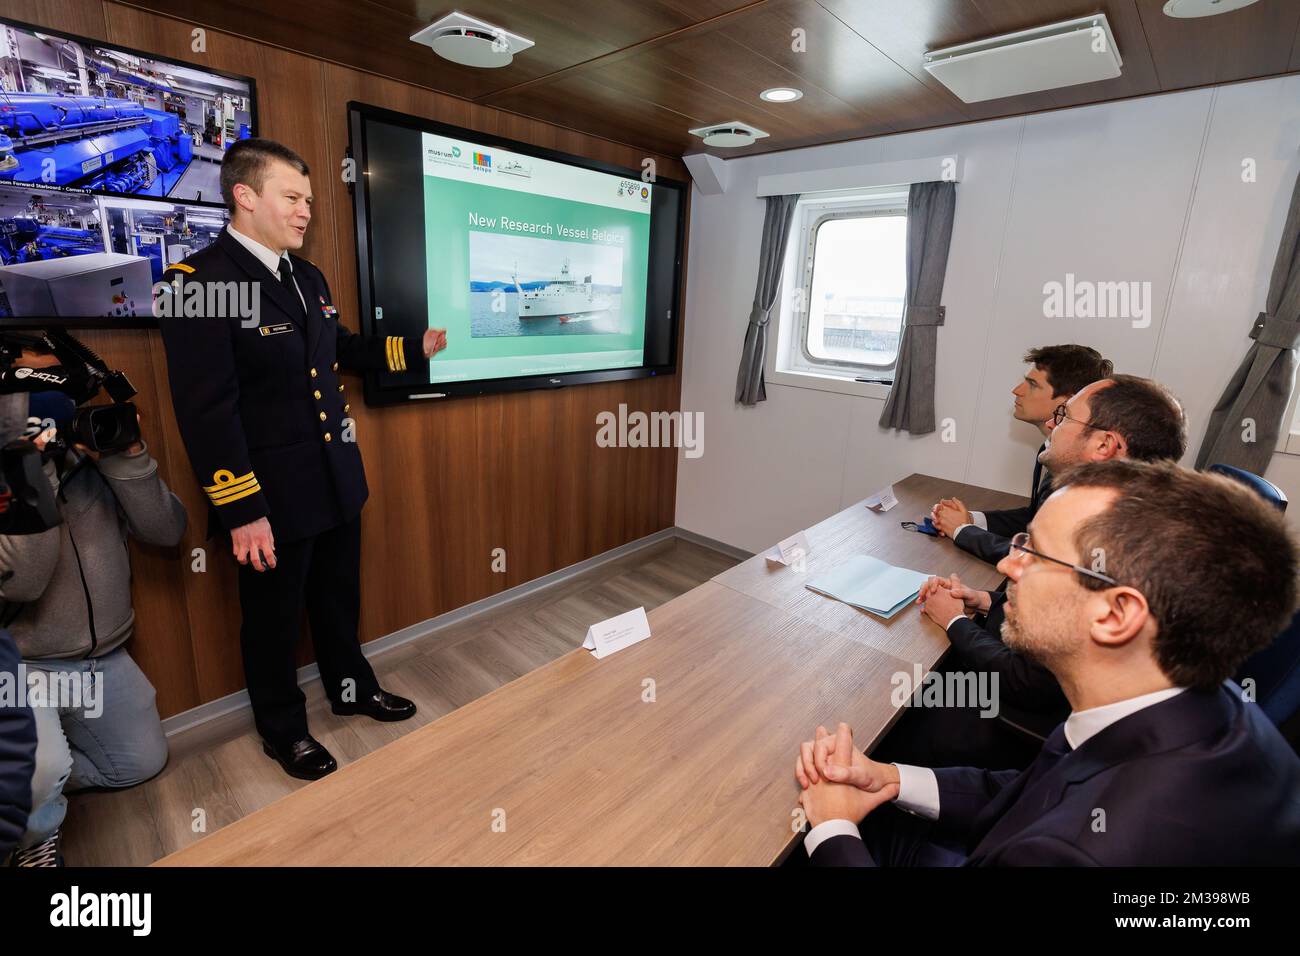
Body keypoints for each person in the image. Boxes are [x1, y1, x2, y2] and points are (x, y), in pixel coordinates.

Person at [796, 460, 1300, 865]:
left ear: (1116, 614)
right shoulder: (1194, 705)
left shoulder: (1077, 849)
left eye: (1035, 554)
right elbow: (1037, 790)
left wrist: (834, 829)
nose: (1008, 565)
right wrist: (891, 778)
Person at [158, 138, 447, 780]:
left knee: (338, 601)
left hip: (334, 478)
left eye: (308, 200)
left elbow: (338, 350)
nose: (305, 211)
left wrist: (411, 350)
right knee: (273, 623)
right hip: (269, 496)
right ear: (244, 196)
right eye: (292, 197)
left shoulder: (306, 276)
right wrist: (242, 512)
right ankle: (283, 730)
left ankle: (352, 691)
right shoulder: (197, 284)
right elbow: (206, 413)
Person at [877, 374, 1190, 769]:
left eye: (1066, 417)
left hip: (1010, 726)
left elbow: (1029, 683)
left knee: (887, 700)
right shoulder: (1128, 512)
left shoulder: (1106, 538)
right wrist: (986, 600)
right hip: (1017, 687)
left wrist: (956, 622)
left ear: (1104, 444)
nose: (1052, 426)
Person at [0, 352, 186, 866]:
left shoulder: (89, 452)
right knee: (40, 767)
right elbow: (28, 581)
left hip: (99, 656)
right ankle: (34, 829)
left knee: (142, 762)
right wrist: (30, 469)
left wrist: (128, 455)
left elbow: (167, 532)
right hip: (23, 663)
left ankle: (26, 786)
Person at [931, 345, 1112, 564]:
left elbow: (1044, 557)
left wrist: (962, 530)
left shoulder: (1081, 464)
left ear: (1069, 401)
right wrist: (972, 519)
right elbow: (1035, 517)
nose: (1017, 390)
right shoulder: (1053, 446)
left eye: (1033, 385)